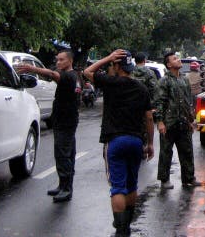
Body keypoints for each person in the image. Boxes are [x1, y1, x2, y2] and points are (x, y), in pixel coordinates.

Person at [84, 49, 154, 237]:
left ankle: (121, 230)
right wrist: (150, 144)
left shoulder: (110, 83)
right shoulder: (142, 88)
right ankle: (127, 226)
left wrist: (108, 57)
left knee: (118, 188)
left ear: (116, 66)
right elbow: (149, 117)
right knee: (131, 185)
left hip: (115, 141)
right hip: (136, 141)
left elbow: (87, 72)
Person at [15, 49, 81, 203]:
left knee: (63, 154)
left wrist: (32, 68)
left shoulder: (69, 76)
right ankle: (63, 185)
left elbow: (52, 74)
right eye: (57, 60)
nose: (58, 62)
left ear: (70, 61)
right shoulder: (75, 75)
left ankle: (66, 189)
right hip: (65, 119)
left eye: (62, 60)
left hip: (66, 121)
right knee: (67, 152)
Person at [155, 52, 201, 190]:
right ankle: (164, 180)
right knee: (166, 152)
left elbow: (188, 101)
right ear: (169, 64)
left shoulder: (184, 79)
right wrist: (160, 122)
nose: (178, 60)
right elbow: (159, 102)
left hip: (183, 122)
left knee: (187, 151)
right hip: (169, 123)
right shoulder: (164, 81)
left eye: (178, 58)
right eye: (175, 59)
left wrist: (191, 120)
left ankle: (188, 178)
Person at [131, 52, 160, 116]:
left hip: (132, 104)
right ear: (144, 60)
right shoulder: (150, 72)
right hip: (146, 105)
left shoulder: (130, 72)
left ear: (135, 61)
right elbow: (154, 89)